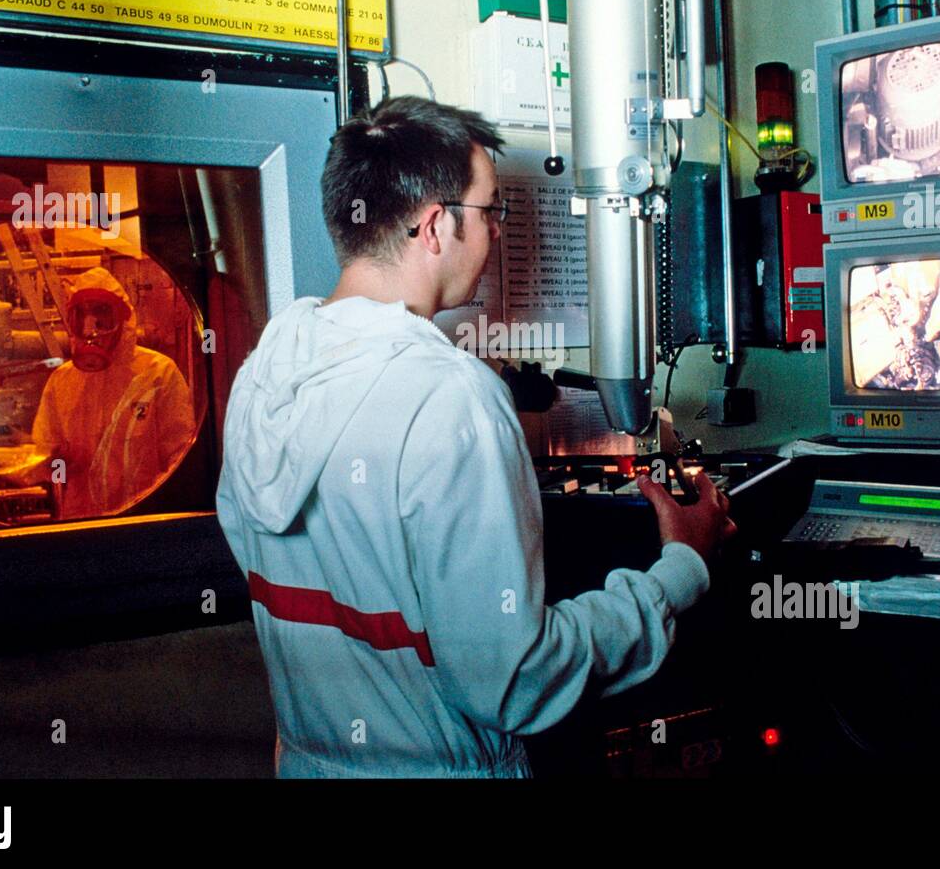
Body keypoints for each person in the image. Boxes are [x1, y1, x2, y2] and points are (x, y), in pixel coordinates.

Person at [216, 97, 736, 778]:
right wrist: (678, 571)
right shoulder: (450, 394)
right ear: (434, 227)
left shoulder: (263, 374)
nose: (496, 233)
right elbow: (516, 680)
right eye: (491, 211)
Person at [32, 266, 196, 519]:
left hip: (143, 520)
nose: (90, 328)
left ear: (122, 320)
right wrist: (59, 467)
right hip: (80, 523)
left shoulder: (158, 374)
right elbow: (48, 460)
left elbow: (180, 458)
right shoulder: (61, 381)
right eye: (81, 315)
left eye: (101, 314)